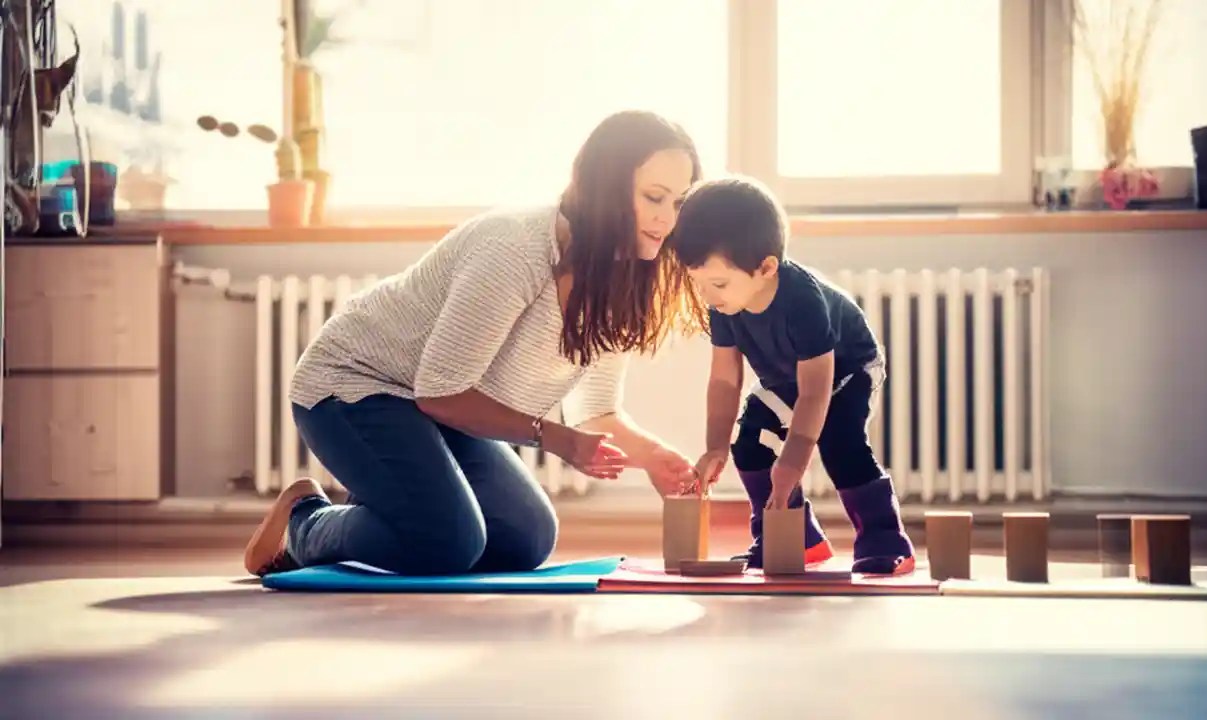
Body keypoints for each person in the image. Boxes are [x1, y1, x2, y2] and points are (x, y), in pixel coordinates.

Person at [244, 110, 705, 577]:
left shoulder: (621, 280)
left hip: (436, 410)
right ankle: (304, 521)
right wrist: (559, 440)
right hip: (354, 387)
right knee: (449, 541)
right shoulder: (515, 249)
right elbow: (439, 391)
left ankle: (398, 501)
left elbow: (595, 412)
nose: (667, 220)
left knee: (528, 538)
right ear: (606, 186)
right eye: (654, 197)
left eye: (678, 202)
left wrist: (654, 460)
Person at [669, 176, 915, 575]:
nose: (708, 297)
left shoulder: (803, 302)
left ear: (766, 267)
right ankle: (794, 537)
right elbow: (725, 379)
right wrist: (715, 447)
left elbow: (816, 393)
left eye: (716, 283)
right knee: (747, 444)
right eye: (698, 284)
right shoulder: (724, 303)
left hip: (845, 371)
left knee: (839, 439)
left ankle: (886, 539)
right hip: (783, 377)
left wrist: (793, 462)